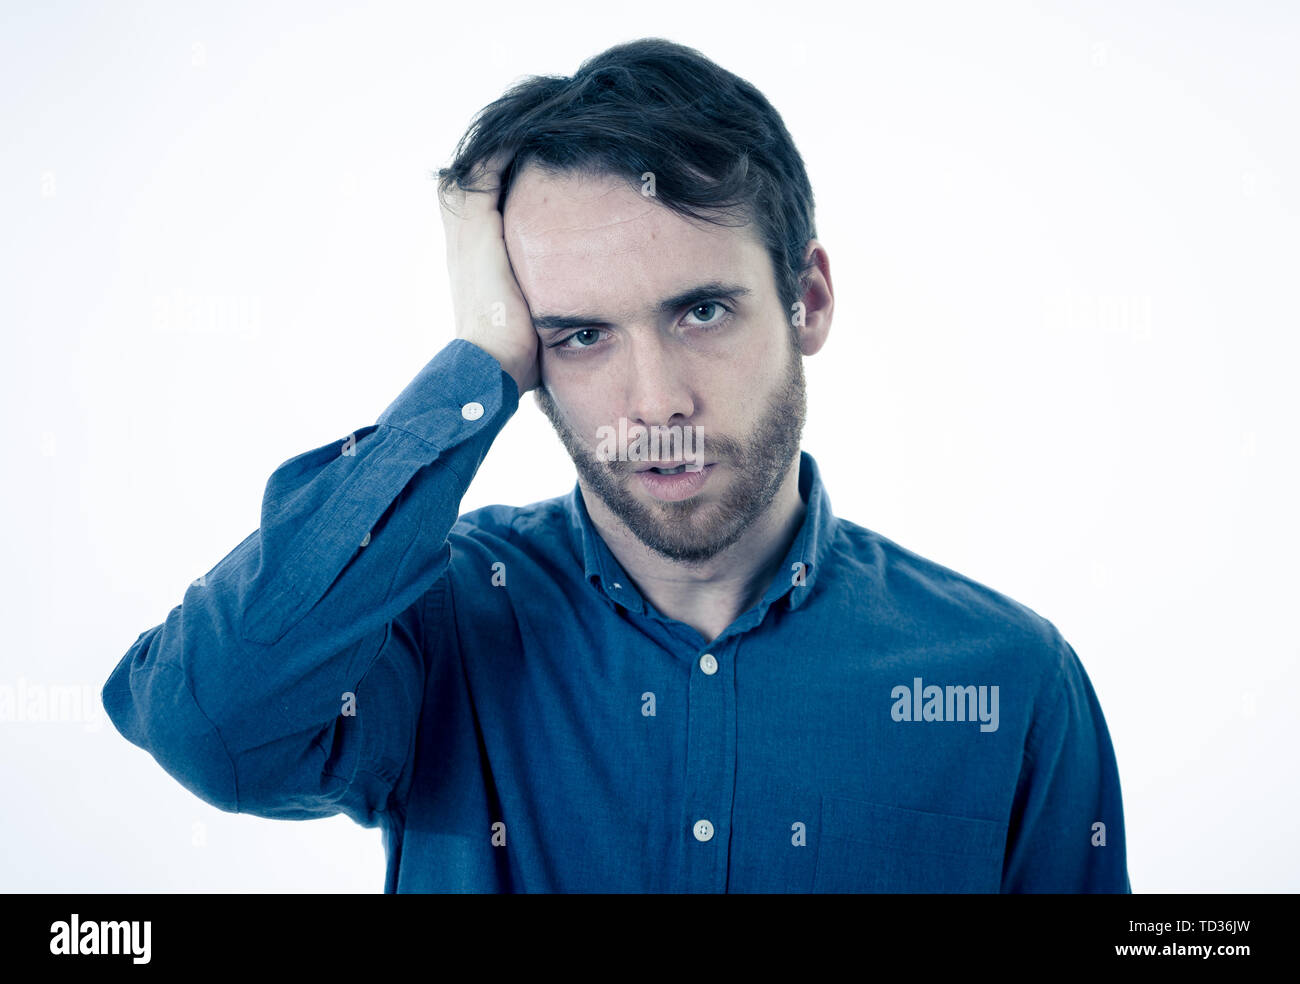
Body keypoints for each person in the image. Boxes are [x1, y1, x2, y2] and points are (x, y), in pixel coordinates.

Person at [102, 38, 1130, 892]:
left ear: (806, 299)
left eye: (701, 310)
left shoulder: (1008, 677)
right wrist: (475, 368)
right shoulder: (438, 624)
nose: (655, 403)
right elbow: (209, 721)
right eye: (579, 336)